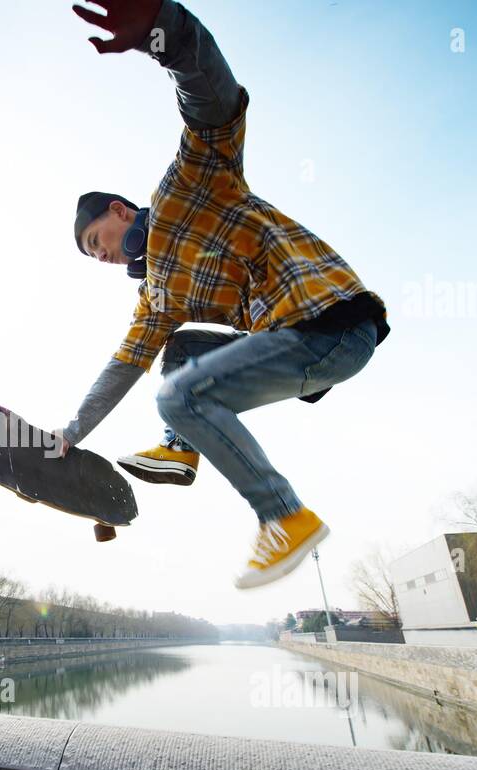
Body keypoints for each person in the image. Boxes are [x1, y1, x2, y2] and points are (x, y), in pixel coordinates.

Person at [54, 0, 390, 589]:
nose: (102, 257)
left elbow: (213, 109)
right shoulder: (158, 295)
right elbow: (123, 365)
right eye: (93, 258)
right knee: (178, 351)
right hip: (299, 345)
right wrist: (70, 434)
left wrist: (164, 30)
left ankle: (284, 516)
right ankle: (180, 449)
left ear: (119, 210)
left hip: (331, 323)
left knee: (178, 394)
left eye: (95, 241)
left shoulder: (189, 187)